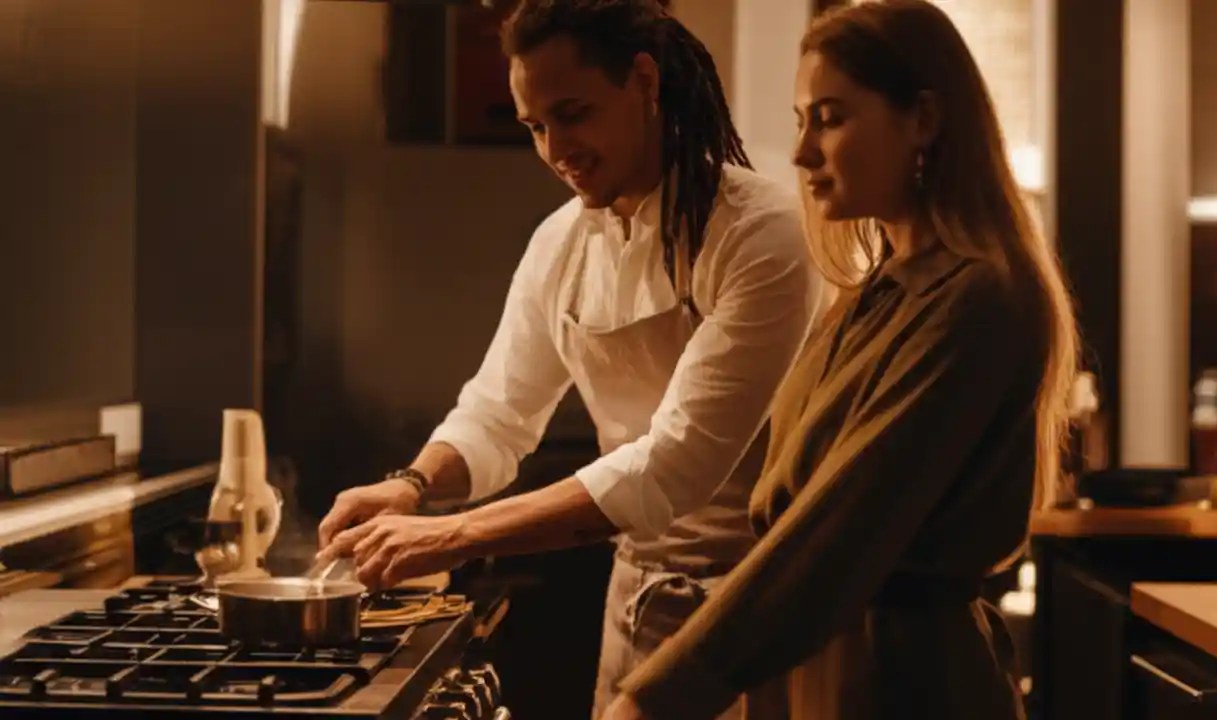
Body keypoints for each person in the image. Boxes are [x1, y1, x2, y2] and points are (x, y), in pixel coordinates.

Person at [315, 1, 820, 717]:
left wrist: (450, 536)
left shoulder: (761, 234)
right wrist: (411, 485)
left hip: (758, 608)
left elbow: (676, 465)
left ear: (644, 81)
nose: (556, 149)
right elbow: (497, 414)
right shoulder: (561, 243)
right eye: (535, 127)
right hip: (637, 594)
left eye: (573, 113)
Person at [601, 1, 1080, 718]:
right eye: (802, 121)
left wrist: (660, 694)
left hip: (904, 687)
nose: (801, 153)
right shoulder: (868, 297)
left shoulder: (981, 298)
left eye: (830, 118)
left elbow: (839, 532)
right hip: (816, 674)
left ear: (922, 117)